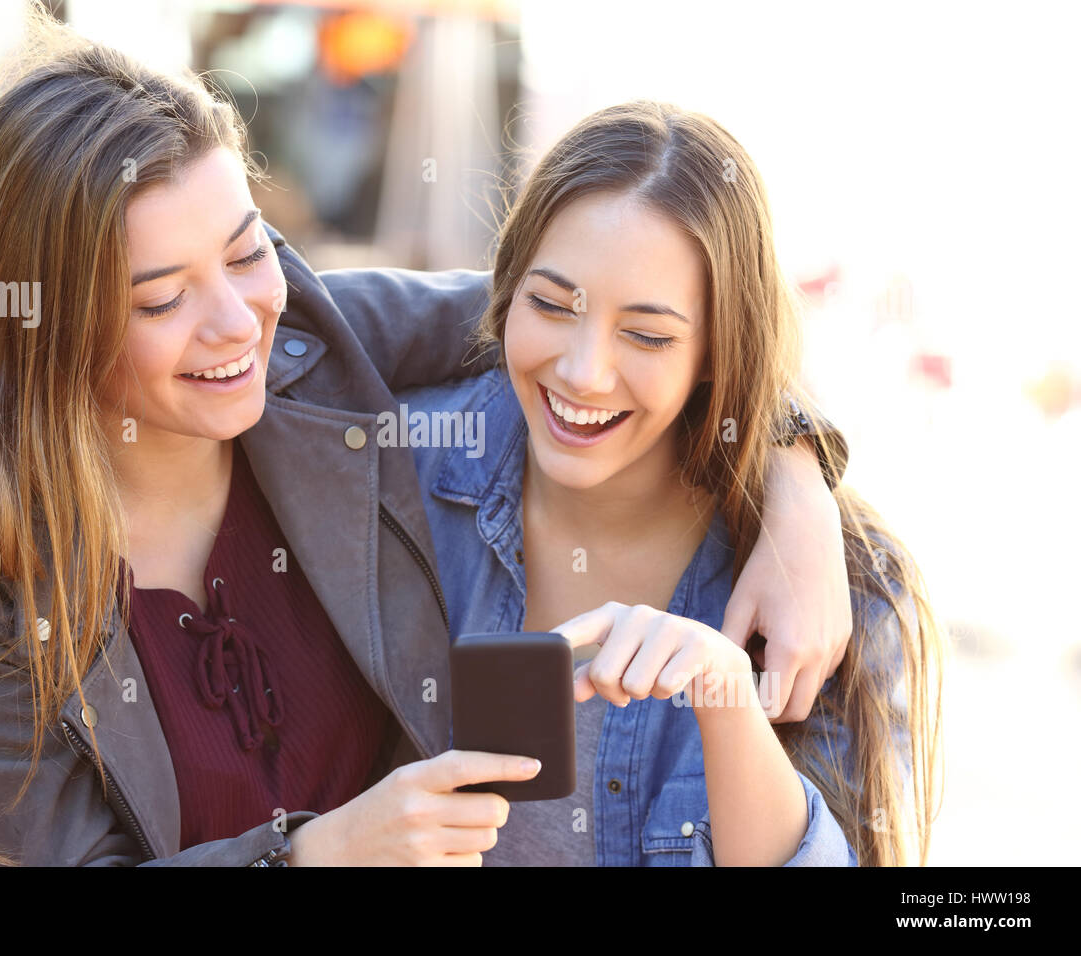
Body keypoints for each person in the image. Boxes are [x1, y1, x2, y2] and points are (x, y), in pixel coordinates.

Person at [0, 14, 855, 867]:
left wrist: (796, 475)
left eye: (247, 250)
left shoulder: (305, 346)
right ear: (50, 332)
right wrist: (316, 855)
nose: (239, 319)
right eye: (162, 298)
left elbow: (595, 325)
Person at [396, 101, 946, 866]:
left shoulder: (841, 586)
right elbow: (286, 317)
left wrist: (726, 700)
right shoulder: (391, 482)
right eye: (552, 305)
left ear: (720, 348)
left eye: (647, 335)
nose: (584, 372)